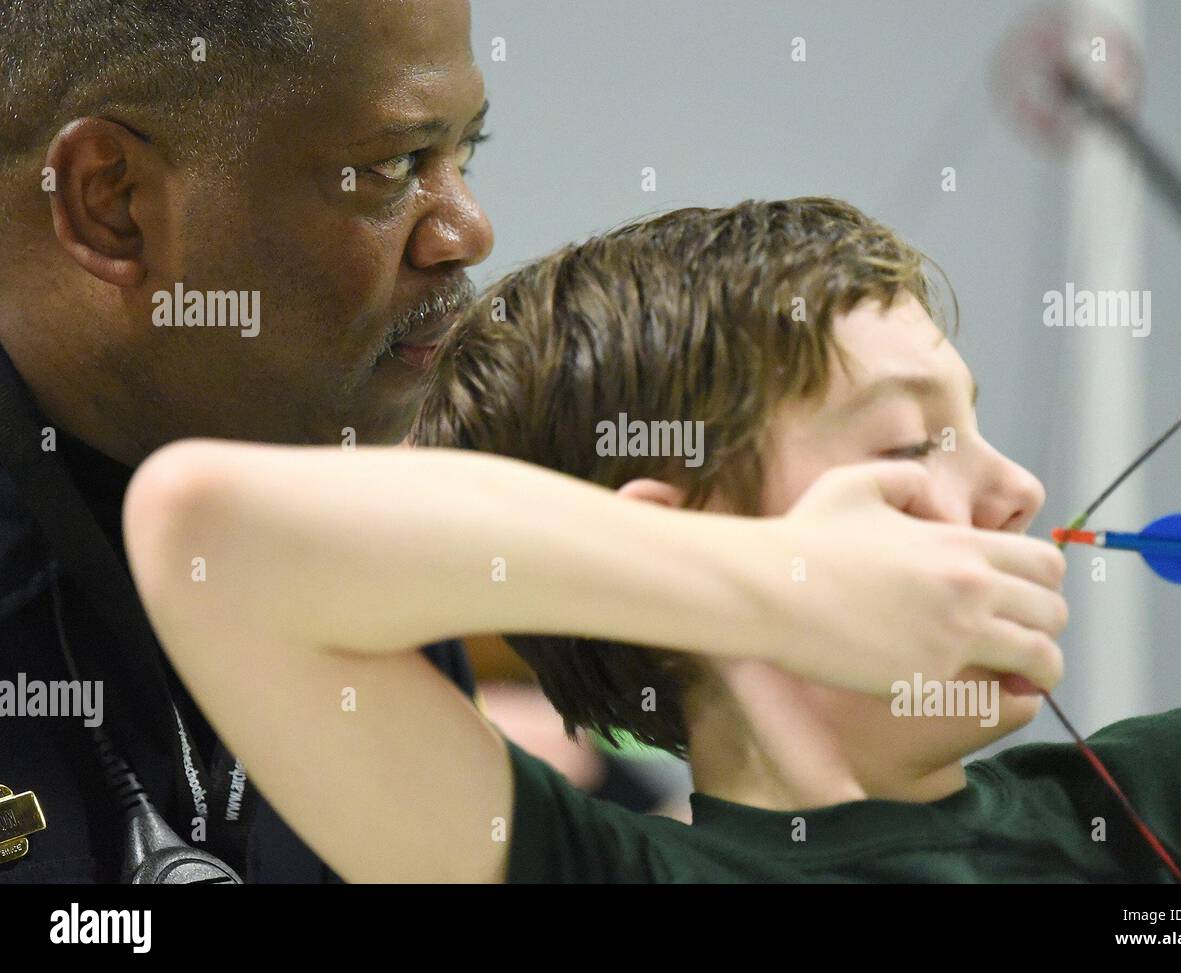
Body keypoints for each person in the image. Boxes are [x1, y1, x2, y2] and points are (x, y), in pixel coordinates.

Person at [0, 2, 1060, 883]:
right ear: (111, 202)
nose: (467, 229)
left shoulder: (384, 545)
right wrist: (791, 587)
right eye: (391, 165)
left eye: (465, 153)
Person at [124, 198, 1181, 884]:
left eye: (976, 426)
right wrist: (781, 589)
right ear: (674, 556)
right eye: (907, 446)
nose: (1018, 490)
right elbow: (205, 534)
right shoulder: (605, 869)